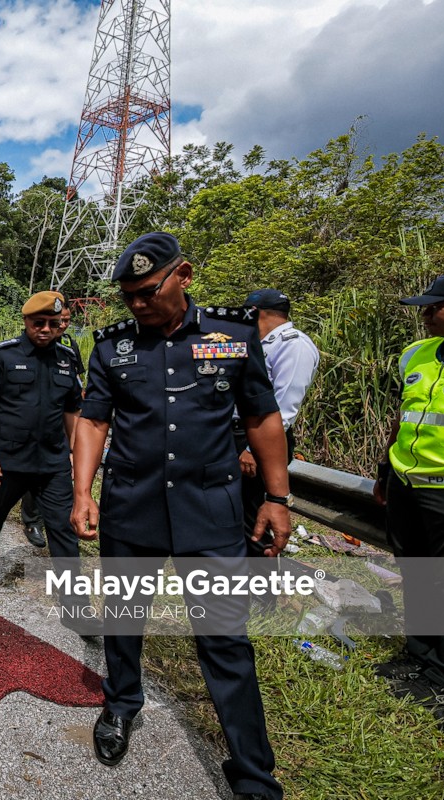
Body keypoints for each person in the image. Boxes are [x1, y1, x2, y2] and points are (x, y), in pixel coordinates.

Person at [71, 232, 290, 800]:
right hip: (132, 507)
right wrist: (83, 492)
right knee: (123, 621)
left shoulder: (233, 337)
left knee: (224, 639)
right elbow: (93, 421)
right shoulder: (112, 346)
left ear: (183, 275)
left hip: (208, 512)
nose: (138, 304)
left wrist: (276, 497)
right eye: (129, 297)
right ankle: (121, 706)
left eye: (148, 291)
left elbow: (263, 418)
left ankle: (252, 773)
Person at [0, 291, 89, 619]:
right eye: (39, 323)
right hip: (8, 461)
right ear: (26, 321)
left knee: (64, 532)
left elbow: (72, 411)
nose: (47, 329)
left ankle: (76, 607)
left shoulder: (66, 358)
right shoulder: (3, 354)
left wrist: (77, 457)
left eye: (54, 324)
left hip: (52, 463)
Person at [373, 271, 444, 734]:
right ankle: (421, 660)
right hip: (408, 483)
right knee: (419, 577)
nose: (425, 313)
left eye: (435, 305)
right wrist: (385, 472)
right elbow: (401, 418)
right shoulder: (417, 355)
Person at [235, 289, 320, 553]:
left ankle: (261, 590)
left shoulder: (293, 345)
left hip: (263, 440)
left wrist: (253, 449)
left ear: (255, 313)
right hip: (239, 434)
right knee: (237, 516)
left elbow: (284, 407)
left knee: (255, 520)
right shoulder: (261, 343)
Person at [20, 295, 82, 546]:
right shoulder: (24, 347)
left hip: (59, 422)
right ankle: (32, 520)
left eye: (63, 321)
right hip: (30, 429)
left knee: (56, 477)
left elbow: (75, 385)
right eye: (60, 321)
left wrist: (75, 447)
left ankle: (56, 521)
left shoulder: (69, 348)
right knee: (31, 476)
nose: (62, 326)